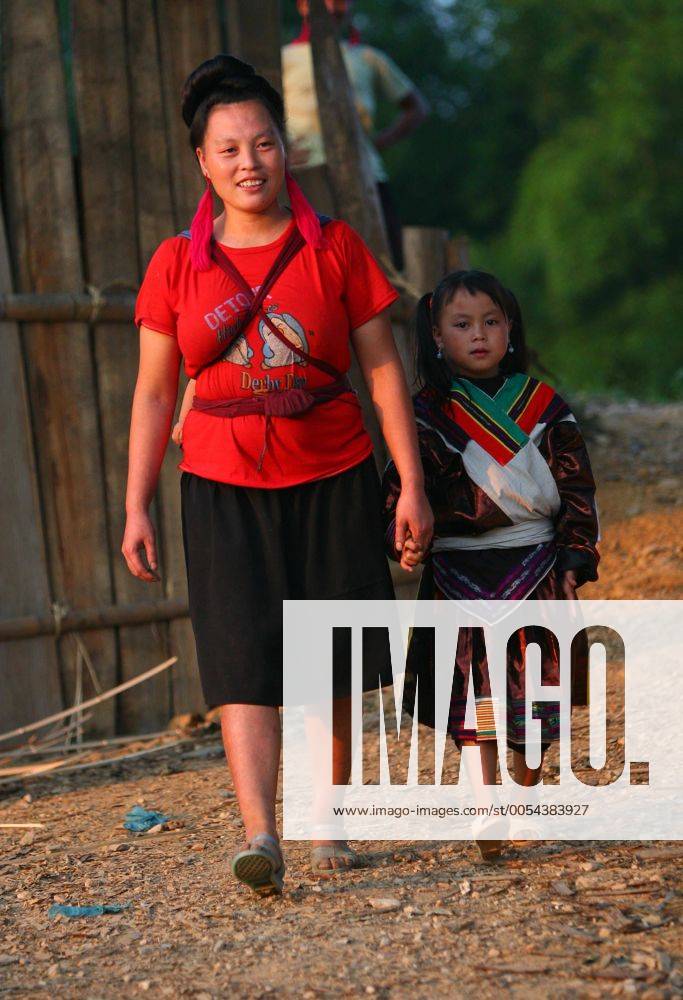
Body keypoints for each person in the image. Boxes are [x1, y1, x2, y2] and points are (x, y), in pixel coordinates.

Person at [122, 54, 432, 897]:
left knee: (331, 656)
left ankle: (324, 818)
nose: (248, 162)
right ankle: (261, 829)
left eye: (261, 144)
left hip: (332, 469)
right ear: (202, 164)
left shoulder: (333, 248)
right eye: (228, 150)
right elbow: (155, 393)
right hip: (221, 481)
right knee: (241, 657)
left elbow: (381, 371)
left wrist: (408, 482)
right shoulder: (175, 264)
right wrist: (136, 502)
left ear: (283, 151)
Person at [382, 269, 600, 859]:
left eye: (491, 322)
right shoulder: (423, 415)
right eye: (462, 324)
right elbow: (402, 488)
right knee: (471, 692)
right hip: (457, 570)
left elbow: (577, 485)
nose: (478, 335)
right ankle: (487, 808)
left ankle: (522, 802)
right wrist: (402, 534)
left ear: (511, 329)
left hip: (537, 566)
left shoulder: (544, 406)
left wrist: (579, 551)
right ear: (435, 334)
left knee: (539, 693)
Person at [282, 0, 429, 269]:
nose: (337, 7)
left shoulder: (367, 58)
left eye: (344, 1)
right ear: (303, 5)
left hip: (366, 176)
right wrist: (282, 150)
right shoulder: (284, 59)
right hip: (305, 175)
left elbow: (416, 108)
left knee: (382, 263)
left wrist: (378, 143)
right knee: (312, 263)